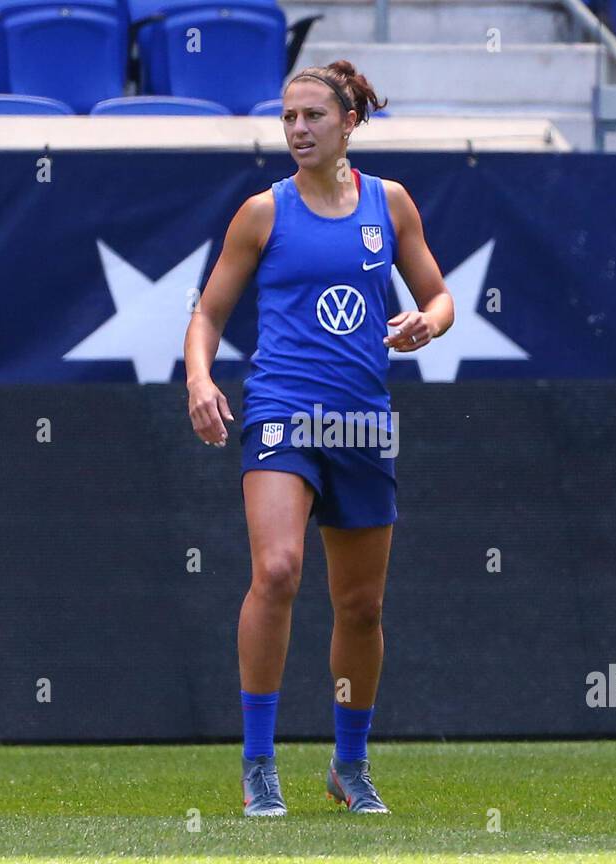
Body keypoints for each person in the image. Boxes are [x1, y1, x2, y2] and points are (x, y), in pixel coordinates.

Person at [183, 60, 454, 816]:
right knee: (276, 570)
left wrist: (428, 322)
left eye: (313, 117)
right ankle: (259, 764)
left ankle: (349, 765)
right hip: (280, 413)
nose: (298, 130)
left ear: (349, 123)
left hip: (363, 423)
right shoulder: (261, 213)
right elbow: (206, 316)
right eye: (289, 118)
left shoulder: (390, 205)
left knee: (362, 607)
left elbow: (438, 295)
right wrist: (201, 381)